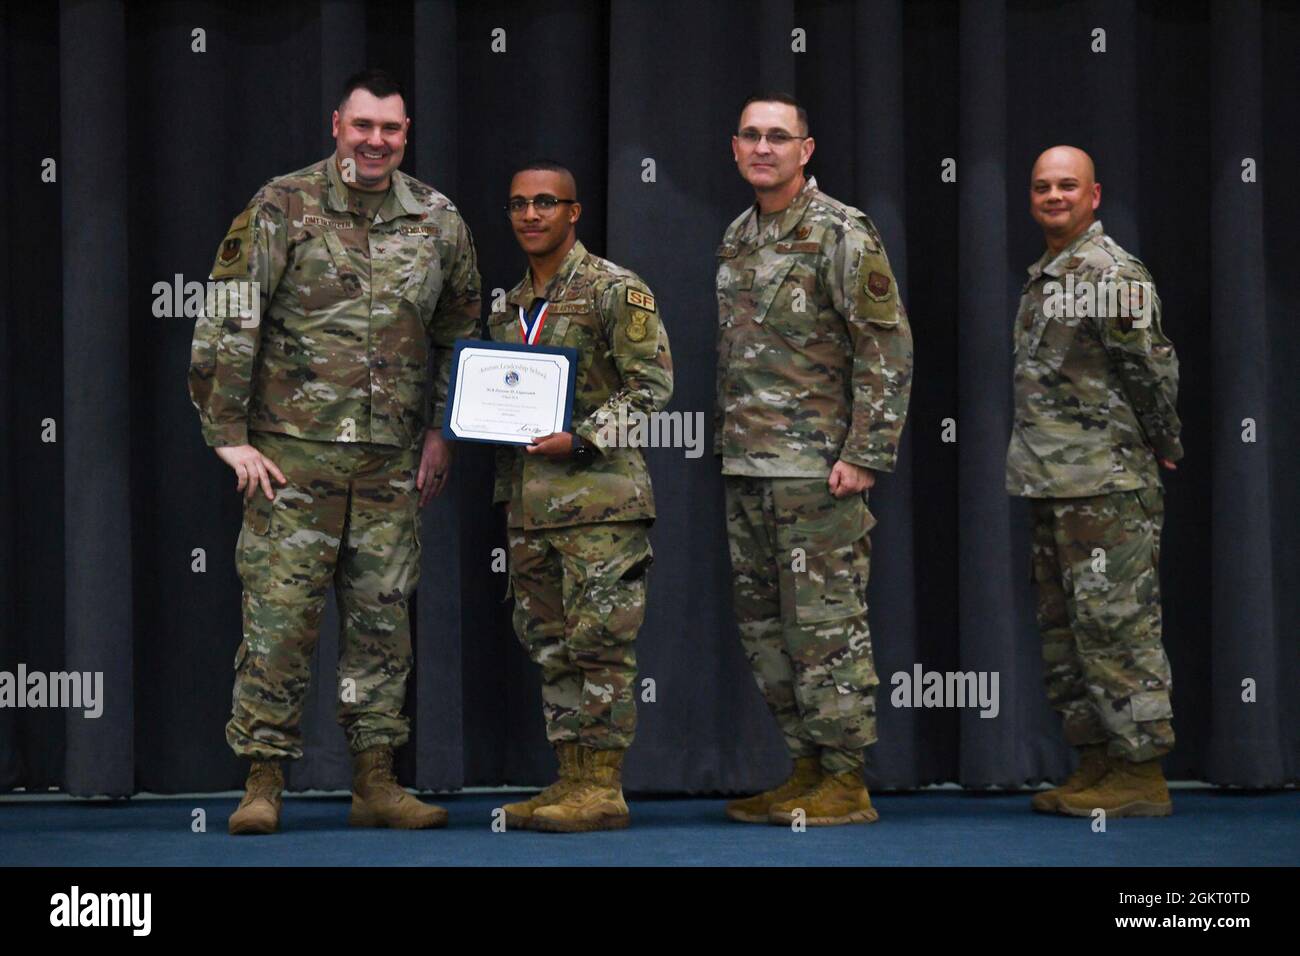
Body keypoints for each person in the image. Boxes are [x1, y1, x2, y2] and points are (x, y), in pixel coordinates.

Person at [187, 68, 481, 834]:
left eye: (391, 129)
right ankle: (262, 781)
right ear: (336, 125)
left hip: (389, 464)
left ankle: (375, 783)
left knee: (382, 627)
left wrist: (440, 430)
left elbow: (459, 335)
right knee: (279, 624)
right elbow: (228, 312)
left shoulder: (439, 220)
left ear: (406, 134)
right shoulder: (283, 205)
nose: (376, 141)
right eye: (363, 126)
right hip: (293, 459)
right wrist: (227, 435)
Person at [715, 93, 913, 826]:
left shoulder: (842, 233)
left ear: (807, 148)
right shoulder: (738, 234)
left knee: (826, 628)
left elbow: (886, 347)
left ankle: (846, 779)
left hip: (817, 473)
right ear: (734, 148)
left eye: (779, 137)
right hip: (748, 465)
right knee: (766, 630)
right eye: (751, 136)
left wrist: (864, 453)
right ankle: (803, 769)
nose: (763, 147)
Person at [490, 160, 673, 832]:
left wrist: (584, 437)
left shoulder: (615, 290)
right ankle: (570, 777)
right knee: (550, 644)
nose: (530, 215)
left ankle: (603, 788)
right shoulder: (506, 304)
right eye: (517, 204)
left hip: (601, 504)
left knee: (600, 645)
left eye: (545, 202)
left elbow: (651, 387)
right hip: (531, 508)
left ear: (575, 212)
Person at [1009, 145, 1181, 817]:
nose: (1054, 196)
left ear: (1094, 195)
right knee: (1066, 633)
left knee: (1116, 626)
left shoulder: (1112, 273)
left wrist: (1163, 440)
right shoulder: (1048, 274)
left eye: (1067, 186)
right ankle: (1099, 763)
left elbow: (1150, 368)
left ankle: (1141, 773)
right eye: (1043, 187)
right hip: (1052, 480)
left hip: (1106, 482)